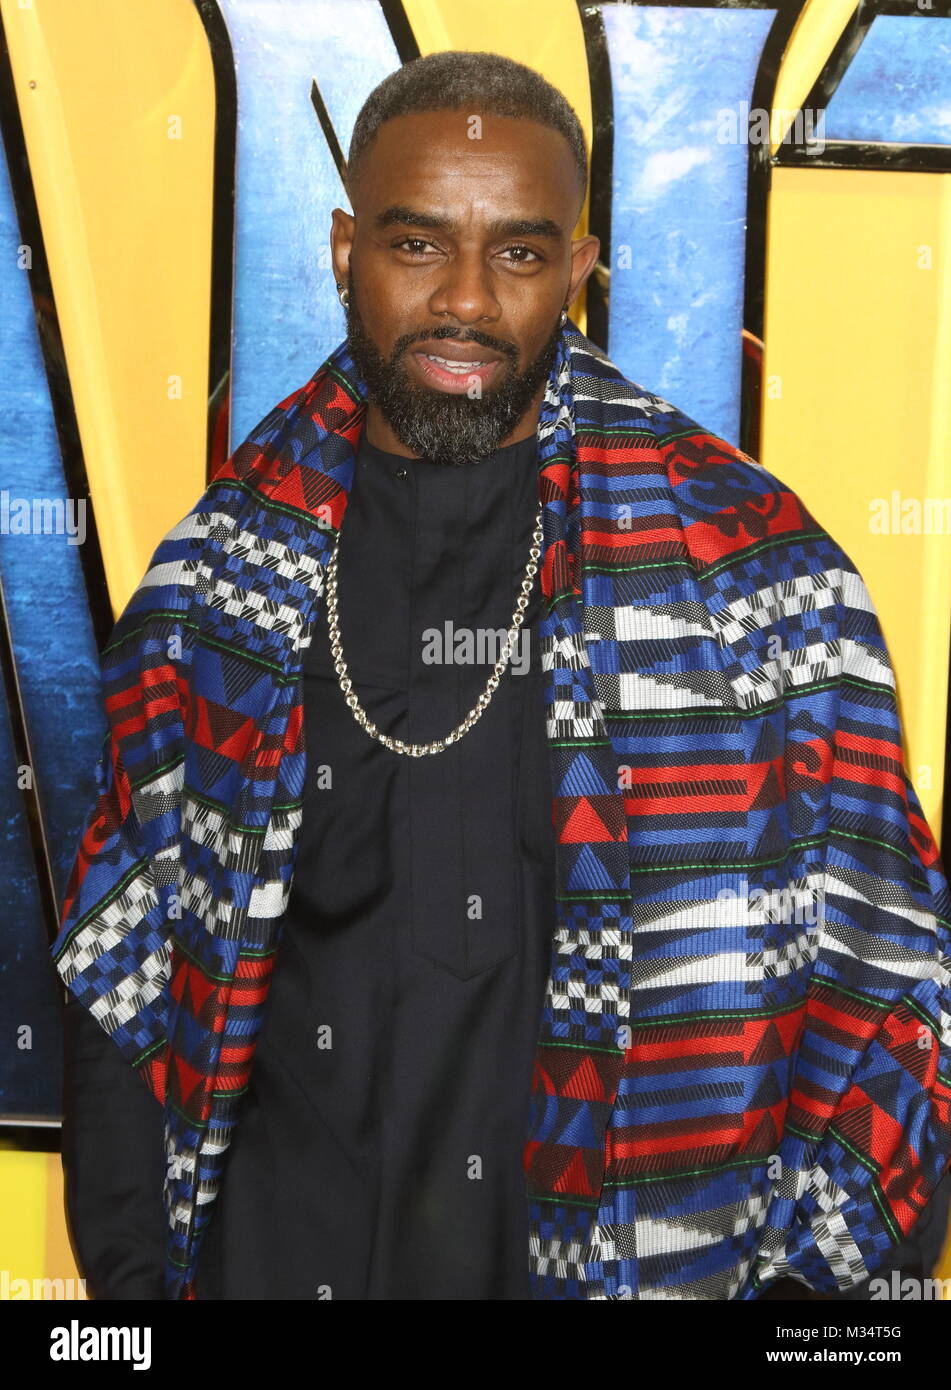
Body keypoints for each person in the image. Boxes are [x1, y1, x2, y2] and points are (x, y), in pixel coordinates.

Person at [53, 50, 951, 1302]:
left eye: (521, 255)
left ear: (578, 276)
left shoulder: (761, 589)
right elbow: (119, 968)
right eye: (416, 246)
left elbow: (897, 1004)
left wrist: (807, 1302)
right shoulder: (214, 592)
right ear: (341, 247)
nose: (465, 303)